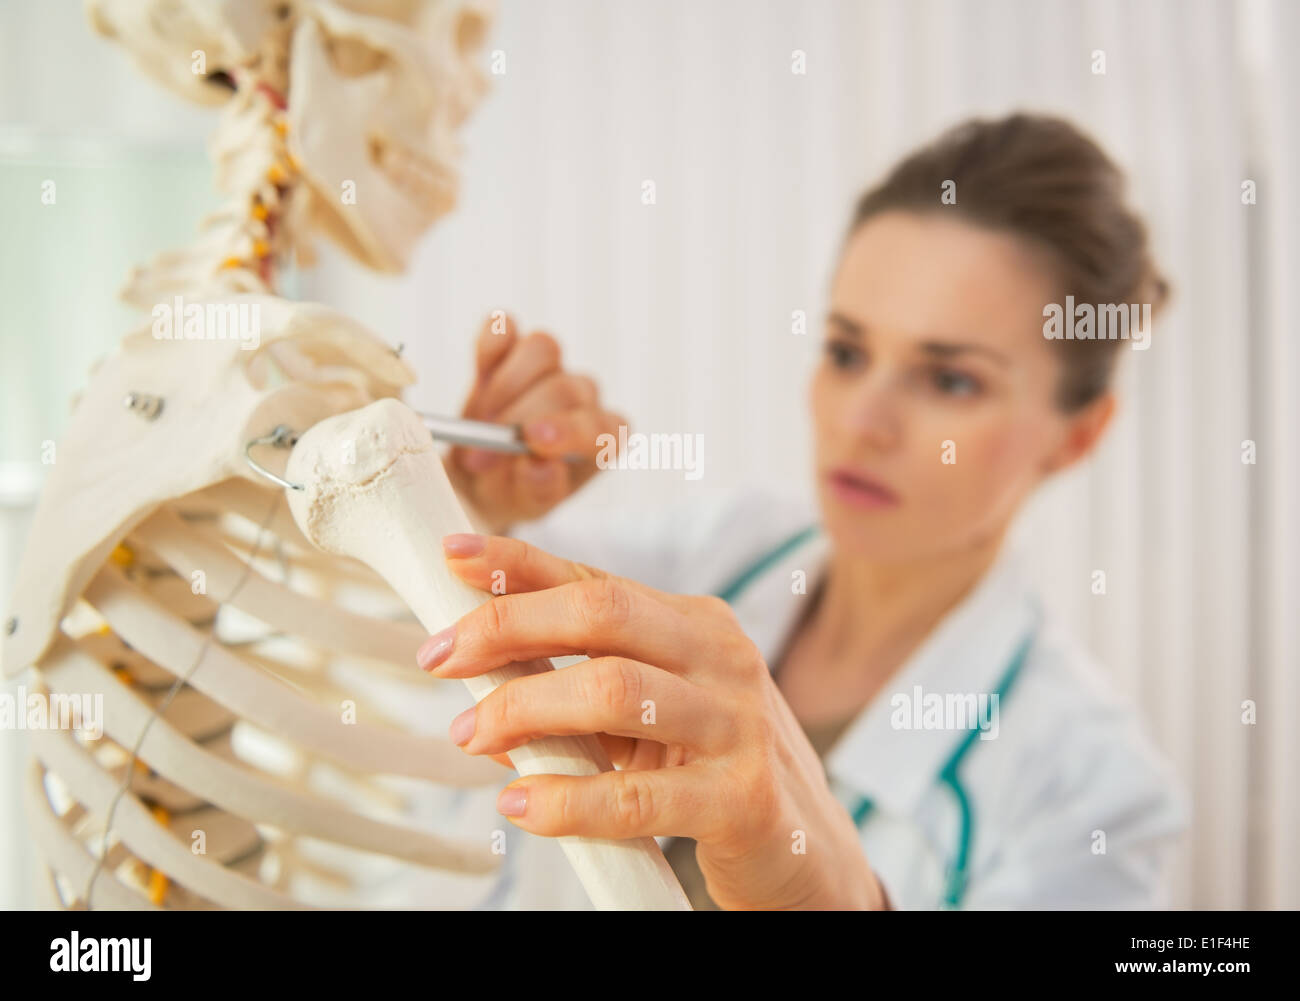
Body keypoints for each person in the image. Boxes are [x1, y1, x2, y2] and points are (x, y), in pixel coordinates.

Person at [423, 112, 1190, 910]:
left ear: (1078, 435)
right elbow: (420, 665)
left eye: (951, 380)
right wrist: (479, 505)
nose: (862, 421)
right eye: (848, 353)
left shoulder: (1095, 796)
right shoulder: (715, 551)